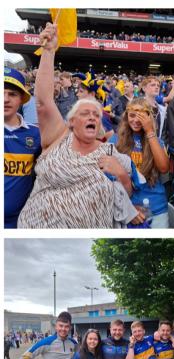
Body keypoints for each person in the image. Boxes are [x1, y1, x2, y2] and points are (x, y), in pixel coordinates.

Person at [16, 23, 140, 229]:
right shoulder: (57, 138)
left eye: (96, 115)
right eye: (85, 113)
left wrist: (122, 175)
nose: (92, 117)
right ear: (71, 121)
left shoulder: (111, 152)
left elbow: (126, 198)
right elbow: (43, 101)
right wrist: (49, 51)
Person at [113, 98, 170, 227]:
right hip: (127, 209)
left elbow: (164, 168)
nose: (136, 120)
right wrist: (128, 208)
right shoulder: (115, 140)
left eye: (141, 116)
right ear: (126, 117)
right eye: (132, 115)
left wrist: (150, 131)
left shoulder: (156, 141)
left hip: (156, 208)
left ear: (149, 117)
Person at [4, 67, 41, 228]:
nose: (5, 99)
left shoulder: (35, 134)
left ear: (21, 99)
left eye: (12, 94)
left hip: (20, 222)